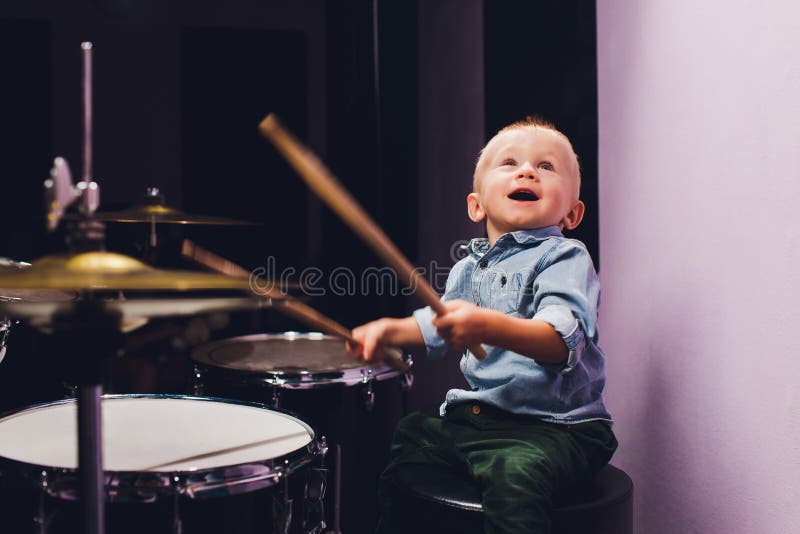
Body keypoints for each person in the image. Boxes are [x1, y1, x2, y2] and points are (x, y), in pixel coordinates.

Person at [346, 116, 617, 533]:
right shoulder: (469, 268)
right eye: (510, 163)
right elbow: (439, 323)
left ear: (573, 213)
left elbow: (561, 341)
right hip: (484, 418)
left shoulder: (565, 258)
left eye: (546, 167)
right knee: (411, 437)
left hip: (557, 428)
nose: (527, 170)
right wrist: (388, 330)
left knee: (514, 475)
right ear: (477, 205)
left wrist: (486, 325)